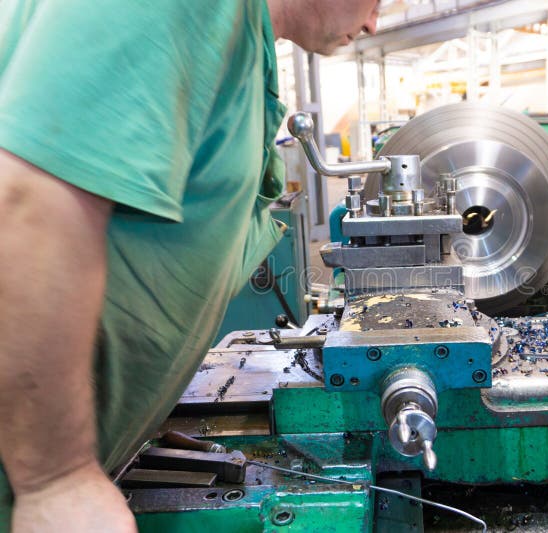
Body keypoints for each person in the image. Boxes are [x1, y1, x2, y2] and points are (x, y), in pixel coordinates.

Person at [0, 0, 379, 531]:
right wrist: (56, 478)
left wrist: (141, 424)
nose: (372, 24)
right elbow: (30, 205)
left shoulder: (239, 45)